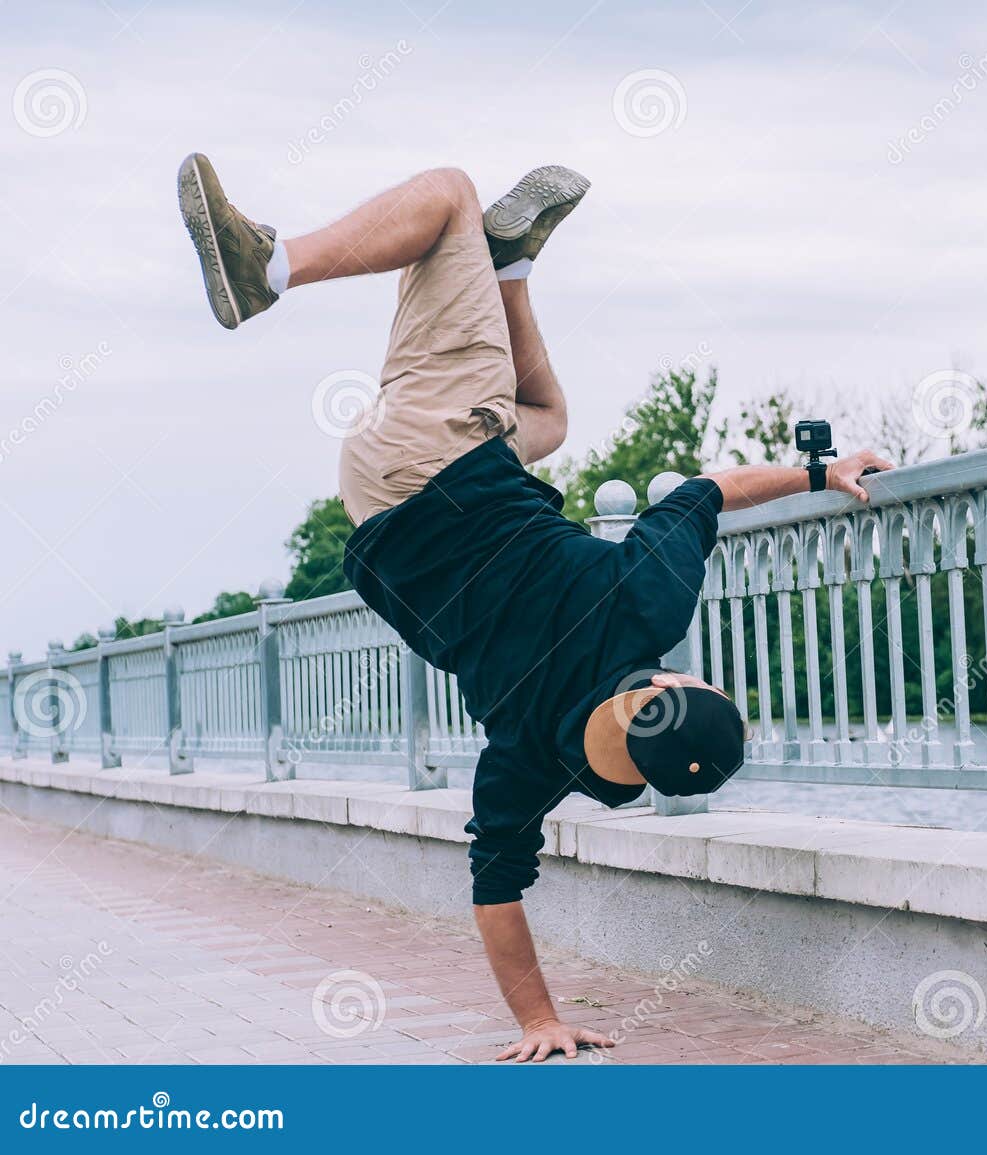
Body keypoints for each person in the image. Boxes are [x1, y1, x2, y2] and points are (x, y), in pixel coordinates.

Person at [177, 155, 892, 1062]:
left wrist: (822, 473)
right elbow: (495, 888)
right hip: (381, 510)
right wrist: (538, 1019)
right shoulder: (535, 759)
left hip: (440, 455)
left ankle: (266, 270)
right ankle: (507, 263)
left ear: (670, 684)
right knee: (546, 418)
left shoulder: (644, 606)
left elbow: (707, 489)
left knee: (448, 194)